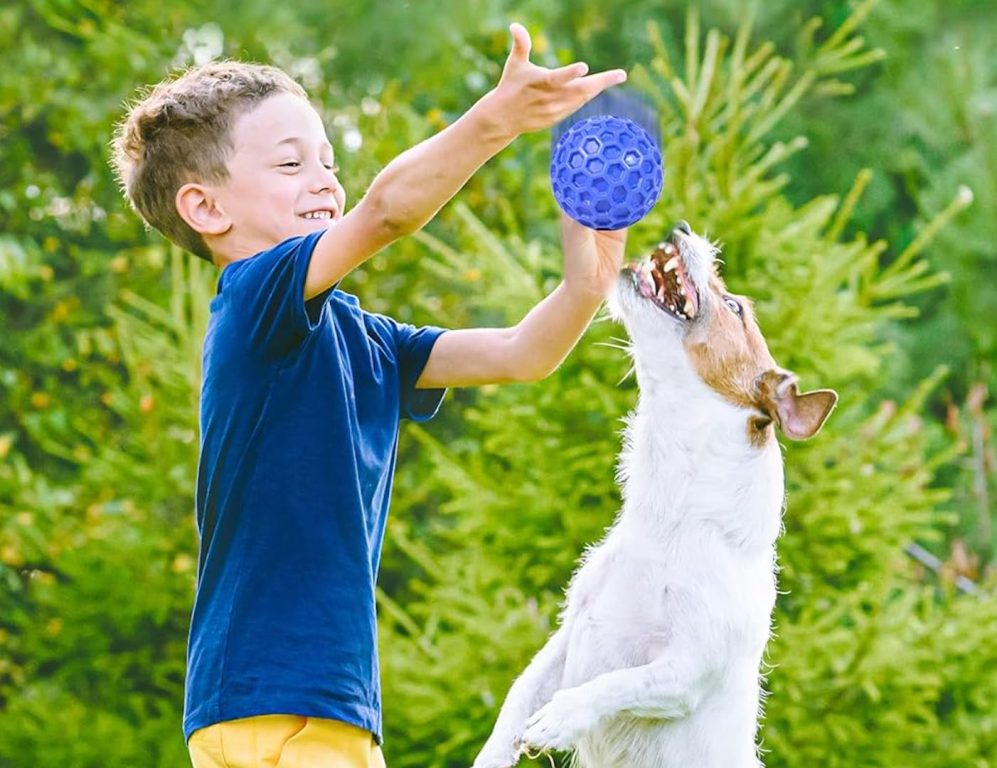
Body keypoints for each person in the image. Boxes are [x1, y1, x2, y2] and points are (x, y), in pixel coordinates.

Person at [111, 22, 627, 768]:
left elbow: (523, 354)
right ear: (207, 209)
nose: (325, 180)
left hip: (283, 703)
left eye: (328, 160)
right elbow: (387, 213)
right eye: (291, 163)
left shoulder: (368, 341)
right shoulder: (254, 298)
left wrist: (586, 283)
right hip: (285, 698)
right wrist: (496, 120)